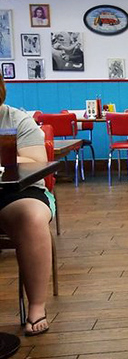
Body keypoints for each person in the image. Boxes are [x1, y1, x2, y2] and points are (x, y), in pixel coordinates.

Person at [0, 77, 55, 335]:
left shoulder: (17, 120)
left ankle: (37, 306)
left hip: (17, 193)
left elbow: (36, 163)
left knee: (32, 217)